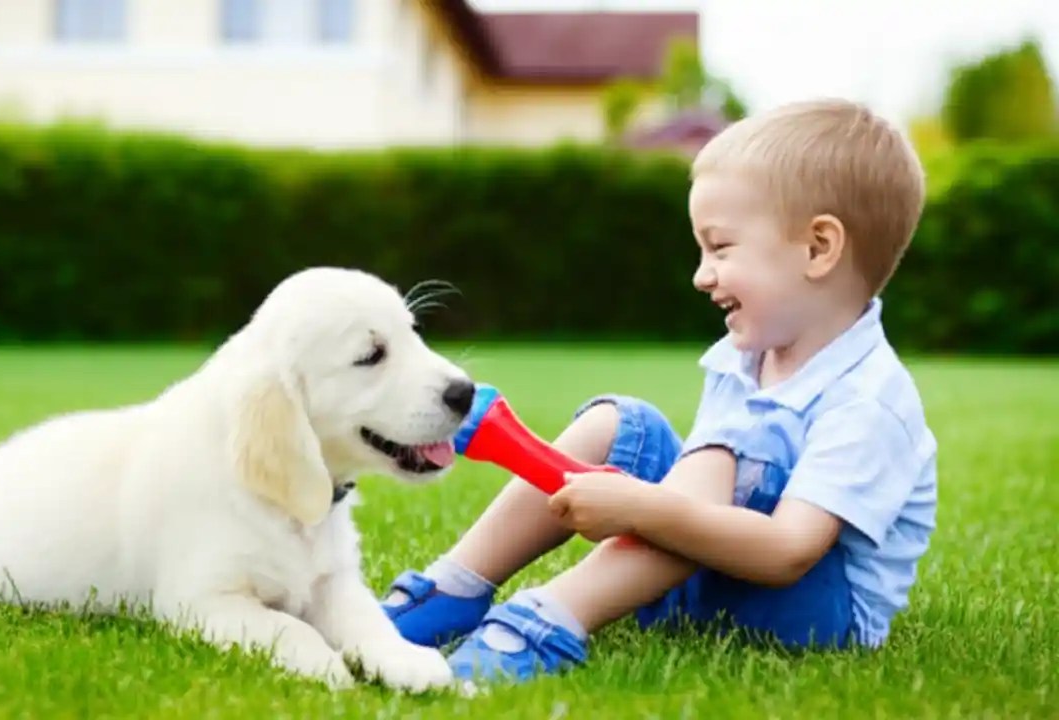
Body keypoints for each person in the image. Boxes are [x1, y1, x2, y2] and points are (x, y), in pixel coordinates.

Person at [381, 98, 938, 684]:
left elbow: (787, 552)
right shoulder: (745, 357)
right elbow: (700, 484)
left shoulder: (868, 399)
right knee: (624, 424)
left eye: (721, 248)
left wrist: (643, 508)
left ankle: (553, 616)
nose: (702, 274)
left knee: (714, 477)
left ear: (818, 248)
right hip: (711, 571)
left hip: (811, 611)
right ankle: (454, 587)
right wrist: (659, 506)